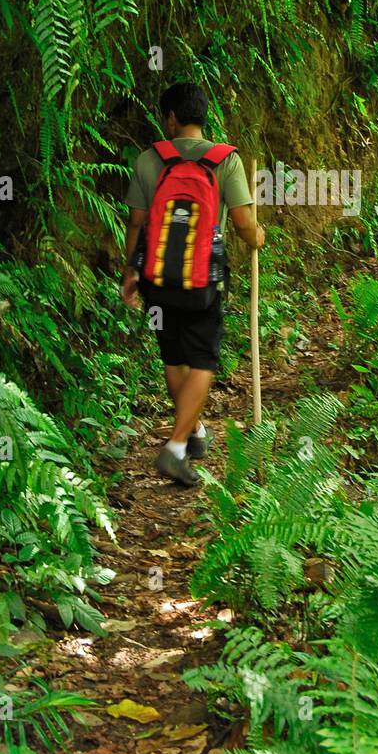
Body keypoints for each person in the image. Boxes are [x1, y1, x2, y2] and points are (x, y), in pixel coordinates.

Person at [121, 82, 265, 486]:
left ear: (171, 118)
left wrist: (130, 271)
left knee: (174, 357)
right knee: (202, 360)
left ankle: (195, 431)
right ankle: (175, 446)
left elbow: (136, 223)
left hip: (156, 279)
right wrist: (258, 237)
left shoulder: (150, 160)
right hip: (202, 282)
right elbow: (243, 224)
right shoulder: (226, 161)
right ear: (203, 117)